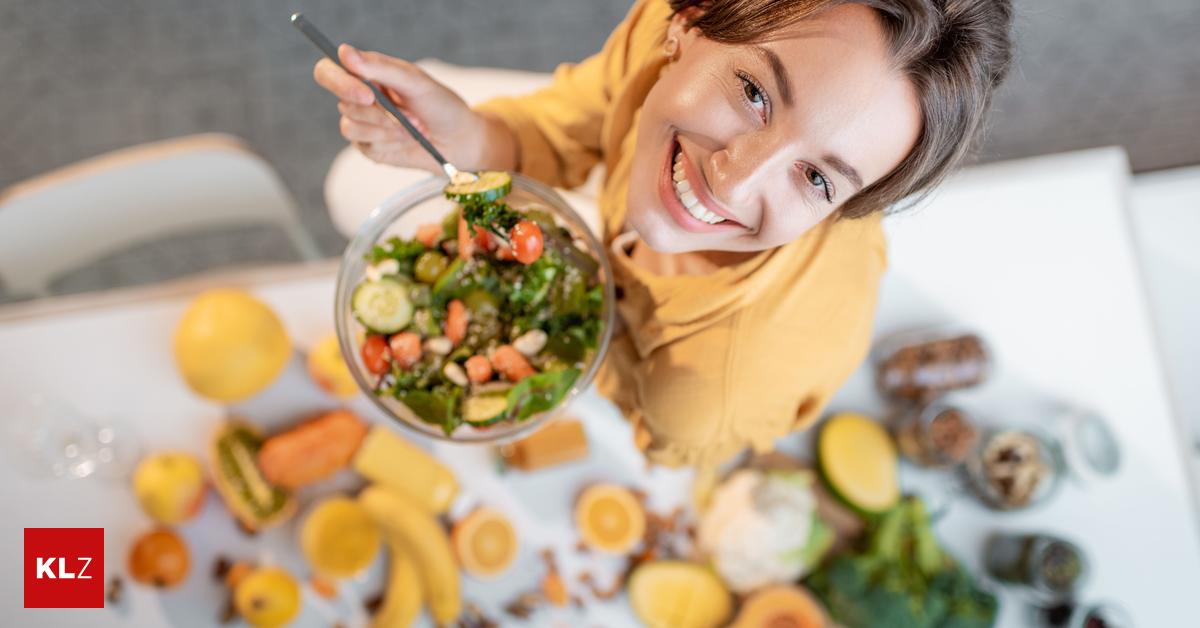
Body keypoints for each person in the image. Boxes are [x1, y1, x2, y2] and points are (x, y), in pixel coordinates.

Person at [313, 0, 1014, 468]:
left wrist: (583, 335)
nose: (733, 184)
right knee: (350, 181)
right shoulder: (660, 31)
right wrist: (472, 134)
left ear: (848, 211)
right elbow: (583, 113)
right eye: (754, 93)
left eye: (820, 180)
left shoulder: (704, 396)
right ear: (689, 18)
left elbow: (656, 433)